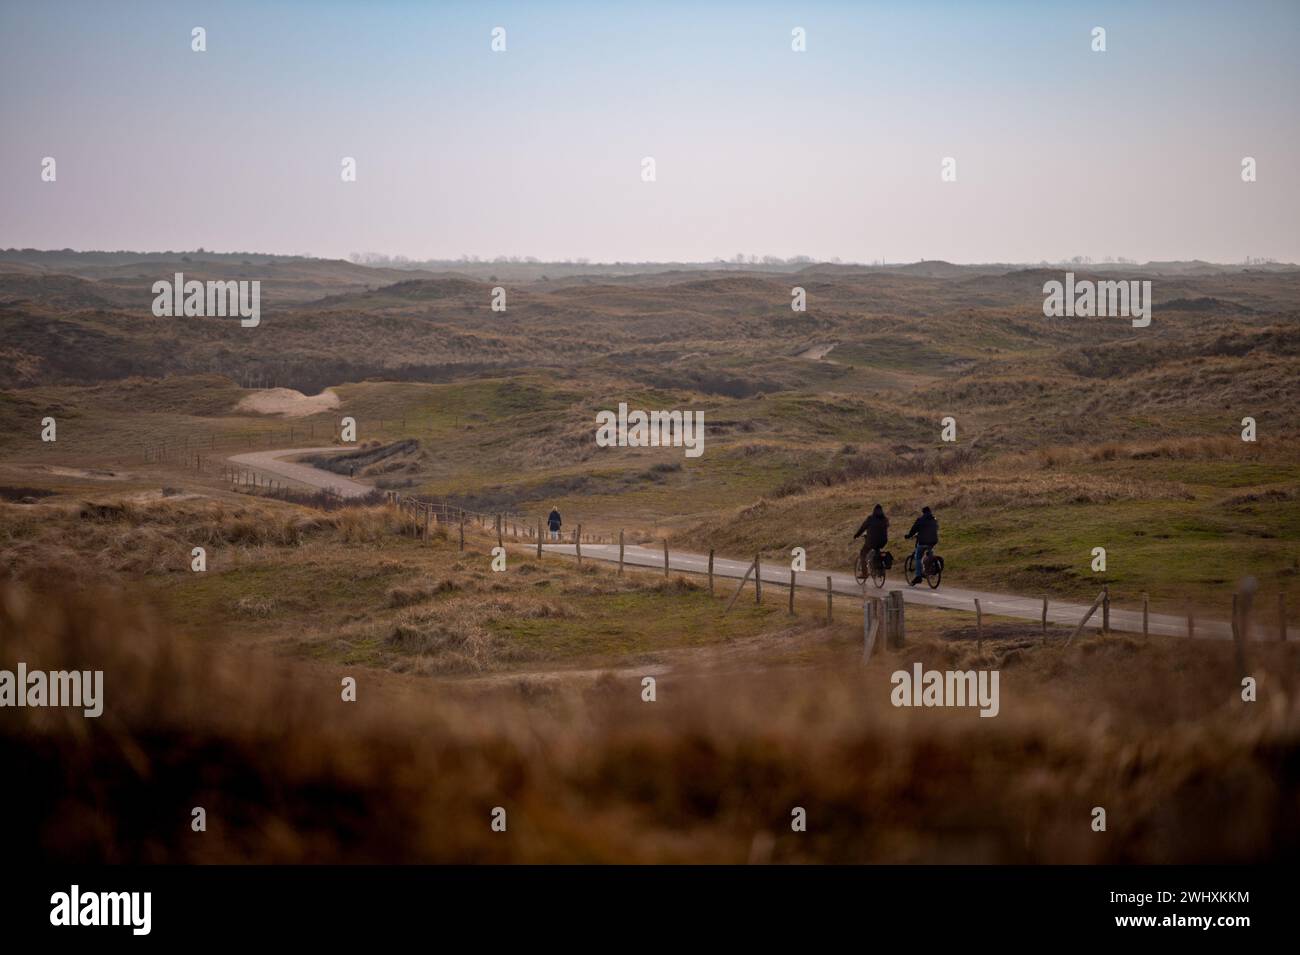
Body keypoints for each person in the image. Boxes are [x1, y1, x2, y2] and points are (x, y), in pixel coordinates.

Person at [904, 506, 939, 585]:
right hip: (933, 541)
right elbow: (936, 528)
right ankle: (931, 566)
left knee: (918, 557)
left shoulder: (920, 520)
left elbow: (914, 529)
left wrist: (909, 535)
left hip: (923, 541)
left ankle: (918, 576)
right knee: (929, 552)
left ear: (923, 512)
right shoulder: (934, 519)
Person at [853, 504, 890, 568]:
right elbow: (886, 527)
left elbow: (863, 527)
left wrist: (857, 535)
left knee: (863, 553)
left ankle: (864, 573)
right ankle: (877, 566)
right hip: (883, 541)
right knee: (877, 550)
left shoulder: (870, 518)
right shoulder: (885, 519)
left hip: (871, 541)